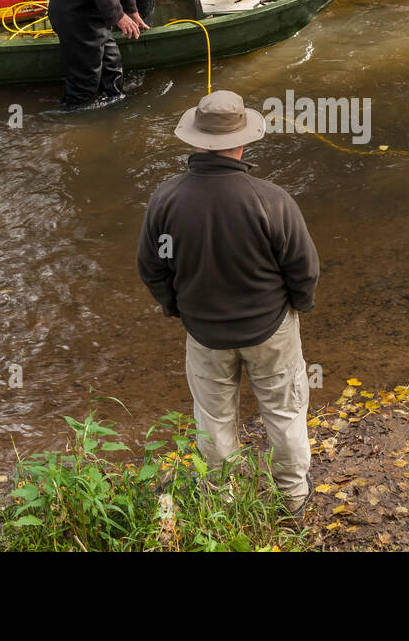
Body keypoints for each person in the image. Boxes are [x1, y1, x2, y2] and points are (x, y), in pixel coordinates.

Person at [137, 90, 320, 516]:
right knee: (284, 413)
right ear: (244, 141)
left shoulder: (165, 199)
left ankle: (222, 502)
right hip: (271, 329)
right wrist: (298, 307)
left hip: (204, 333)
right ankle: (292, 499)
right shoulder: (271, 199)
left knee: (214, 421)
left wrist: (175, 307)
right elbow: (304, 270)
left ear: (196, 140)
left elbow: (152, 268)